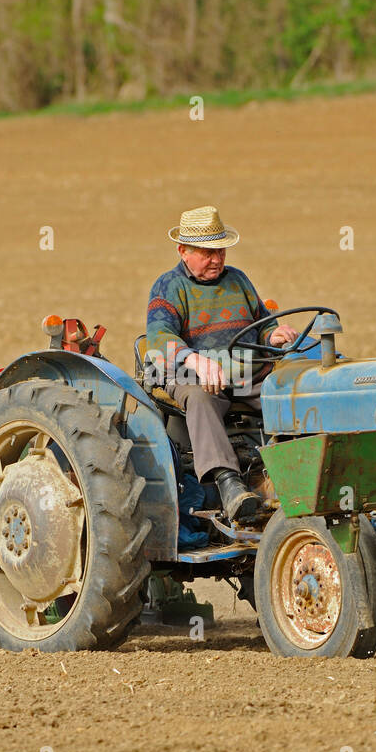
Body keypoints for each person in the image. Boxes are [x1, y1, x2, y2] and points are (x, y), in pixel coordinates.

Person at [145, 206, 298, 522]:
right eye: (206, 252)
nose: (216, 259)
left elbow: (261, 322)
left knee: (293, 387)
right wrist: (196, 360)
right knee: (200, 398)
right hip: (193, 375)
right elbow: (159, 336)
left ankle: (292, 475)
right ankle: (230, 488)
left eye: (219, 251)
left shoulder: (238, 280)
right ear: (183, 251)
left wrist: (275, 335)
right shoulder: (169, 286)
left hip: (247, 373)